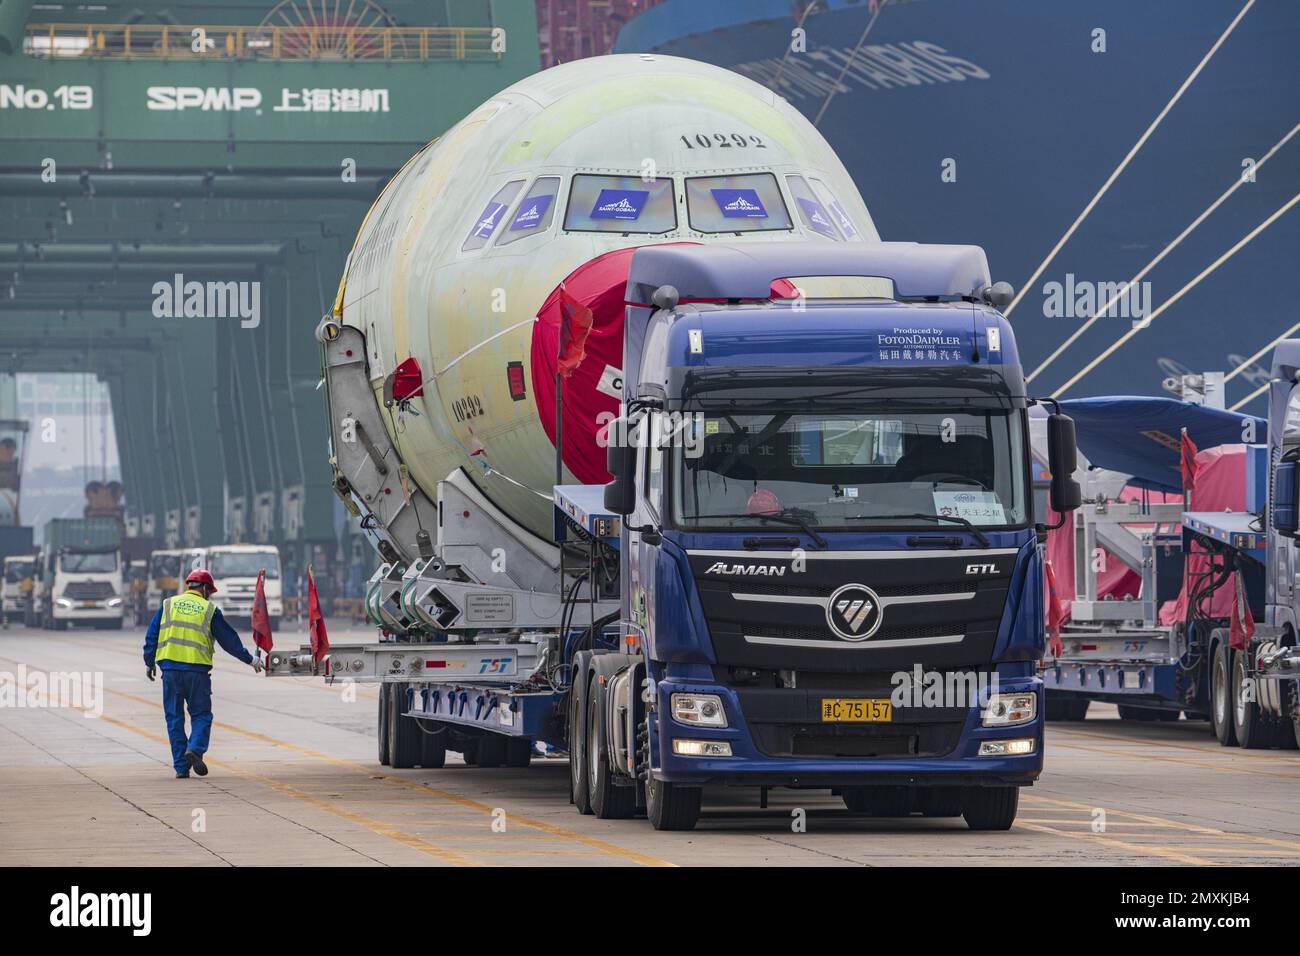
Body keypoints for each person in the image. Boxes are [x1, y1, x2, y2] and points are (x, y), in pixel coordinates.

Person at [142, 568, 264, 778]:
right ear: (205, 588)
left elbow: (152, 635)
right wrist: (250, 659)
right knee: (201, 715)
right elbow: (229, 642)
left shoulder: (168, 604)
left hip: (170, 671)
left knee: (174, 718)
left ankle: (181, 768)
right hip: (196, 672)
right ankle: (195, 749)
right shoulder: (210, 610)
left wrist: (149, 662)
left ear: (189, 586)